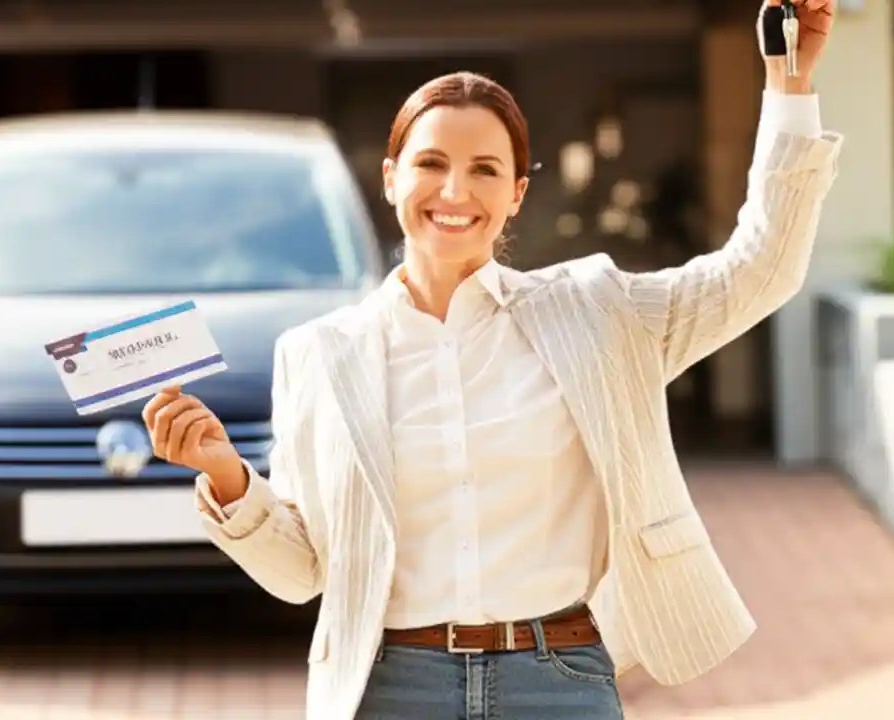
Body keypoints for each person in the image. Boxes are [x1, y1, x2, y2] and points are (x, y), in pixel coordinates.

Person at [143, 1, 841, 717]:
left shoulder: (597, 312)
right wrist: (228, 478)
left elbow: (762, 269)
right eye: (432, 164)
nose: (454, 191)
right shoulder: (319, 355)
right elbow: (302, 572)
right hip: (390, 689)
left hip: (558, 680)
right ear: (390, 178)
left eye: (484, 169)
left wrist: (789, 80)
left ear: (517, 194)